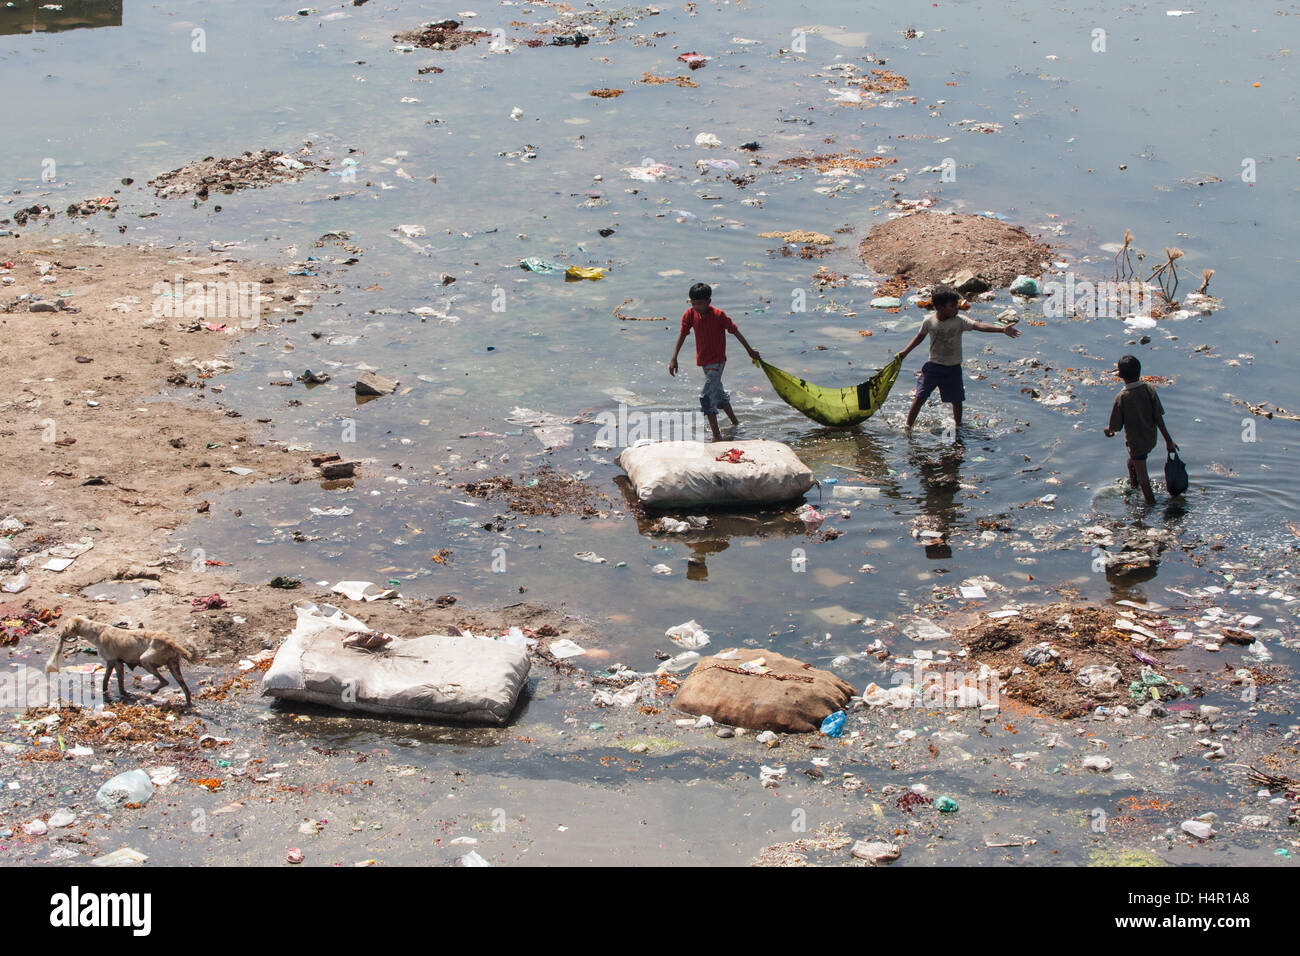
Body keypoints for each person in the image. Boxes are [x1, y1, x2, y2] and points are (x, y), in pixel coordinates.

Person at [898, 285, 1021, 431]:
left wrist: (1001, 329)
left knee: (957, 400)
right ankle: (907, 426)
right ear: (939, 307)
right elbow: (919, 337)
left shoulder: (959, 321)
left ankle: (958, 426)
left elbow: (978, 326)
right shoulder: (929, 322)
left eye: (956, 305)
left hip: (953, 368)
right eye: (952, 306)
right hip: (934, 367)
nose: (956, 308)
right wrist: (905, 352)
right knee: (920, 397)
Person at [669, 282, 760, 442]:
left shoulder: (719, 315)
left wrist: (750, 351)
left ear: (708, 302)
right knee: (718, 393)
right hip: (704, 361)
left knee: (705, 397)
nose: (697, 307)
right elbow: (683, 334)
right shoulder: (690, 315)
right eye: (694, 303)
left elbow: (735, 332)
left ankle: (716, 436)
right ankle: (736, 424)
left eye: (700, 303)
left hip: (717, 362)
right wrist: (674, 358)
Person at [1104, 354, 1177, 504]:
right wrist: (1169, 442)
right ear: (1139, 372)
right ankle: (1133, 485)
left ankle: (1151, 503)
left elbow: (1115, 426)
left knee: (1144, 477)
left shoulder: (1122, 397)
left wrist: (1108, 431)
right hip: (1150, 438)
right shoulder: (1149, 389)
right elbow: (1158, 417)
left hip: (1136, 443)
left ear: (1120, 376)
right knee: (1131, 463)